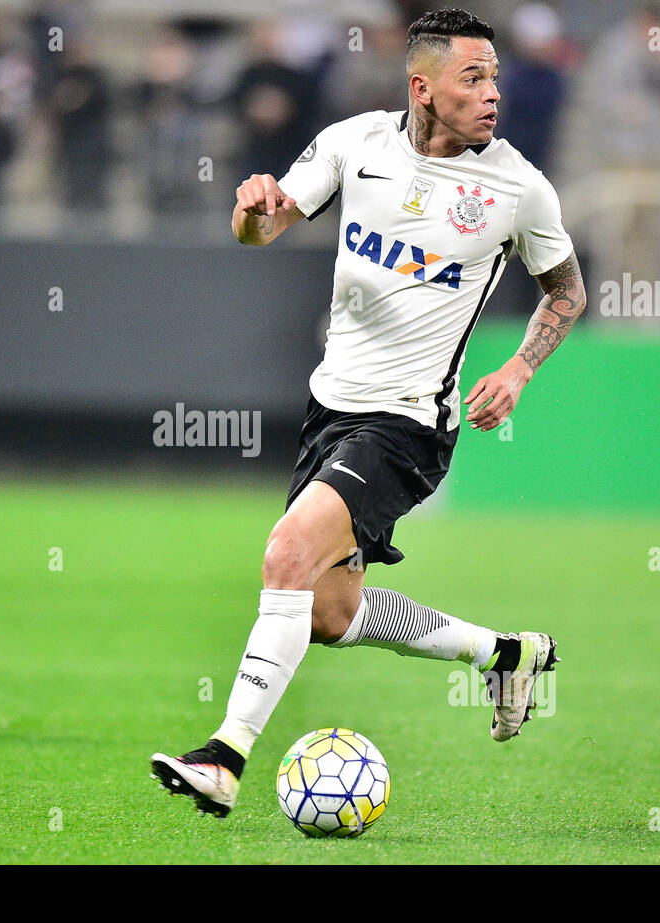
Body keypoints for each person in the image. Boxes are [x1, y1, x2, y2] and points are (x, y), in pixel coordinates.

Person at [151, 9, 585, 817]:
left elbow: (567, 290)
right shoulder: (354, 143)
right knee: (327, 611)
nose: (493, 93)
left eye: (495, 78)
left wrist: (521, 367)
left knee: (285, 554)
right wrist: (249, 211)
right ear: (423, 87)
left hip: (409, 425)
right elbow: (262, 230)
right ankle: (505, 655)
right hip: (331, 411)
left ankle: (224, 756)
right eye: (473, 77)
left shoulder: (519, 186)